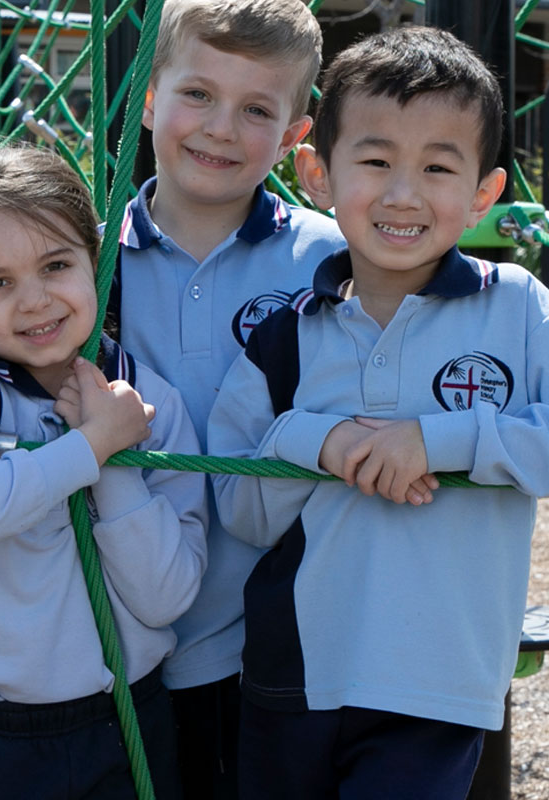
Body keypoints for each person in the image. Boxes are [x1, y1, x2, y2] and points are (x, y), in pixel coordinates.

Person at [0, 3, 338, 795]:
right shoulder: (89, 257)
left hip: (275, 639)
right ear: (147, 100)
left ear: (293, 135)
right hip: (121, 655)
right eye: (197, 95)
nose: (219, 127)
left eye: (255, 109)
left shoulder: (328, 257)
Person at [205, 26, 549, 798]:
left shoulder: (519, 309)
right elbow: (240, 507)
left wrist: (438, 441)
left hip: (440, 679)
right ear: (317, 174)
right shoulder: (283, 337)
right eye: (375, 160)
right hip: (295, 672)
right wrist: (313, 441)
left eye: (436, 166)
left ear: (484, 194)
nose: (403, 192)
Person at [0, 146, 207, 800]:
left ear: (97, 259)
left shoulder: (151, 402)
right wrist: (90, 446)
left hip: (125, 720)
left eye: (56, 265)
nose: (34, 301)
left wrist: (114, 463)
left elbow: (167, 596)